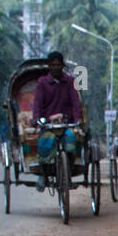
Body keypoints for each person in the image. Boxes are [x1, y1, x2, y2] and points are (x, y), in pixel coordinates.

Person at [31, 51, 84, 190]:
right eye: (53, 65)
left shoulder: (71, 82)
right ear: (49, 66)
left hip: (66, 125)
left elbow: (76, 104)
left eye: (58, 65)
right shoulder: (42, 83)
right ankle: (43, 174)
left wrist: (78, 119)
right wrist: (38, 119)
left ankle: (68, 174)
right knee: (44, 145)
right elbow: (37, 104)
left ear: (62, 65)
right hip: (49, 125)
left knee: (71, 143)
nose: (56, 68)